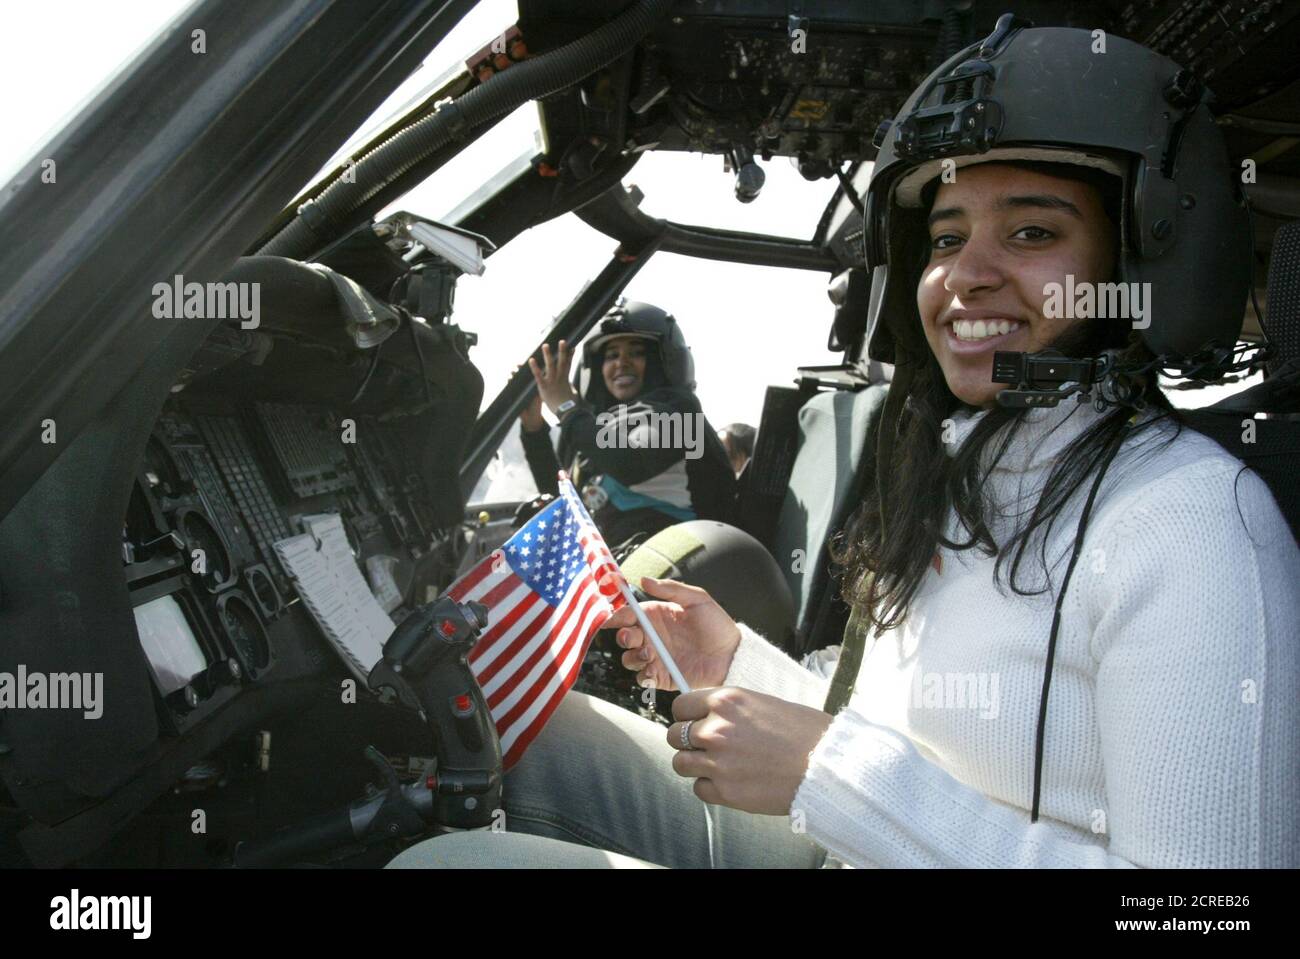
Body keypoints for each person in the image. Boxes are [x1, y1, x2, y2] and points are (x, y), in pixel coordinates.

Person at [390, 22, 1299, 869]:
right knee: (530, 735)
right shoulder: (961, 471)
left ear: (1139, 260)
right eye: (946, 236)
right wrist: (732, 662)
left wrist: (835, 774)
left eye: (1032, 231)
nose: (965, 275)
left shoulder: (1192, 525)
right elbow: (895, 734)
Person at [517, 299, 736, 546]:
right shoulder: (592, 429)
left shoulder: (682, 412)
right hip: (610, 563)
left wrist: (567, 410)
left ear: (662, 360)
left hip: (681, 560)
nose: (621, 363)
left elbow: (632, 461)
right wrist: (534, 431)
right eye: (612, 355)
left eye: (637, 353)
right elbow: (565, 505)